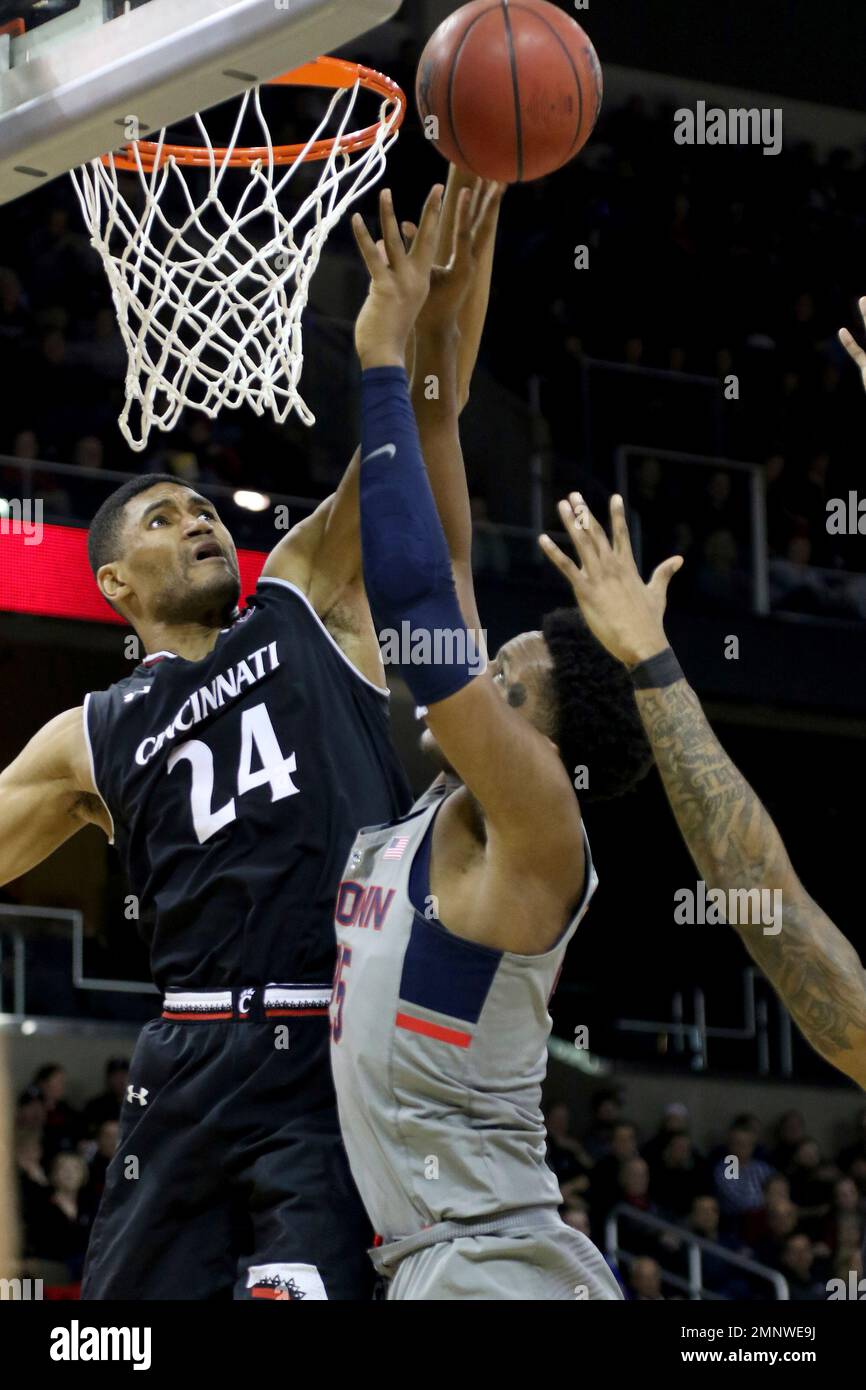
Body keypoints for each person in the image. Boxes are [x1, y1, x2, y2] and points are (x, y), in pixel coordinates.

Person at [0, 177, 496, 1302]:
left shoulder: (302, 603)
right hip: (179, 1065)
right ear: (116, 583)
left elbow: (426, 419)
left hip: (323, 1052)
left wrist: (436, 296)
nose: (200, 519)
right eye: (164, 519)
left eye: (204, 507)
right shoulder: (89, 734)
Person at [327, 182, 655, 1301]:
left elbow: (416, 603)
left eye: (504, 679)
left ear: (548, 745)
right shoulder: (456, 808)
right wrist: (431, 330)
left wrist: (372, 360)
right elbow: (432, 452)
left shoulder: (538, 830)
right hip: (448, 1263)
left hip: (497, 1268)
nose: (480, 676)